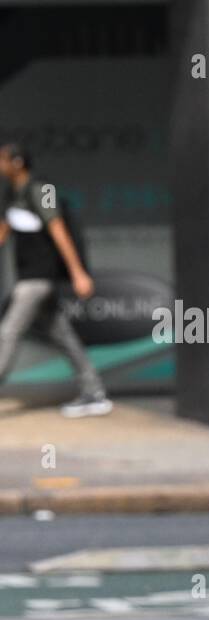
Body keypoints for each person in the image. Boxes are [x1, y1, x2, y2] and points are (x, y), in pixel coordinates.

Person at [0, 142, 111, 417]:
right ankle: (94, 392)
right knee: (62, 335)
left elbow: (58, 229)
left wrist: (77, 272)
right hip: (29, 275)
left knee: (7, 332)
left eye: (2, 159)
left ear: (17, 162)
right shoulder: (11, 193)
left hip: (39, 277)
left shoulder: (42, 189)